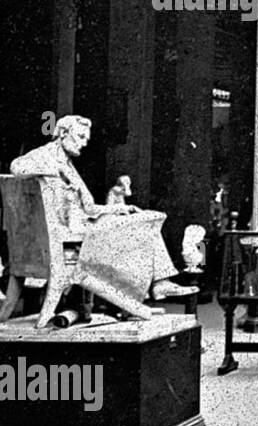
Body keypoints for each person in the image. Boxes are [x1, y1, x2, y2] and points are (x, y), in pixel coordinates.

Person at [9, 115, 196, 318]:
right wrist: (55, 170)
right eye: (79, 136)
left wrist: (116, 210)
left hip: (75, 231)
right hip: (71, 239)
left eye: (86, 139)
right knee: (144, 224)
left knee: (146, 219)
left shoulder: (67, 162)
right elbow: (16, 166)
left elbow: (89, 207)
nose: (83, 143)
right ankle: (155, 286)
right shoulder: (46, 156)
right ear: (63, 133)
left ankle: (153, 287)